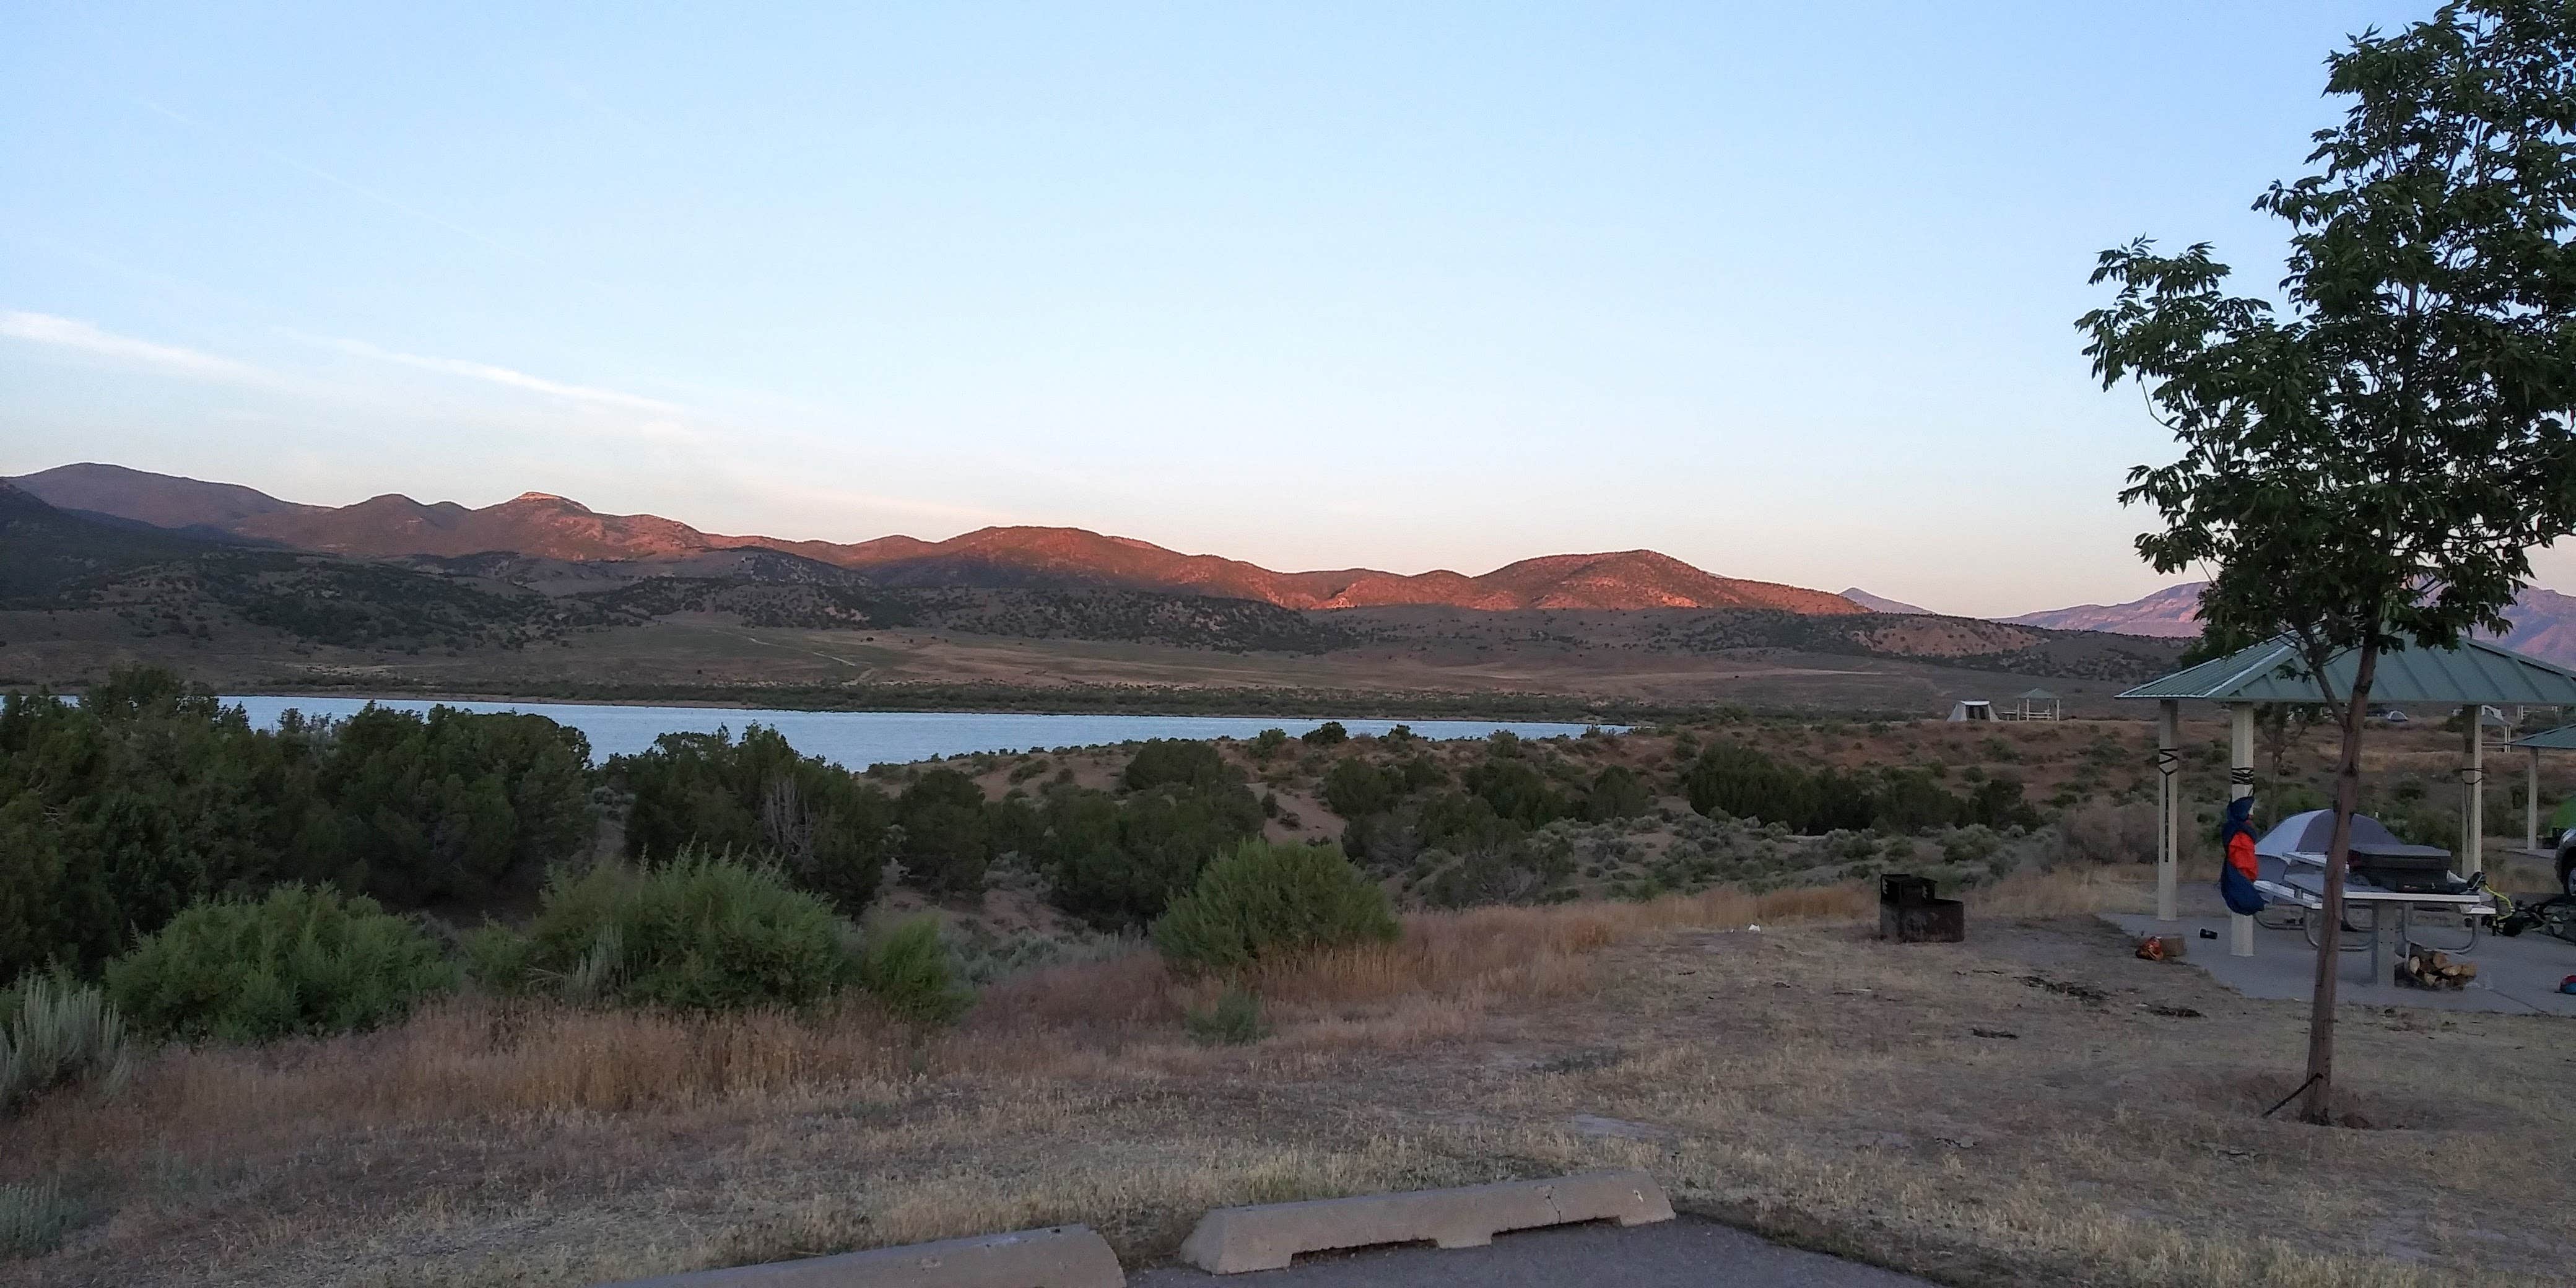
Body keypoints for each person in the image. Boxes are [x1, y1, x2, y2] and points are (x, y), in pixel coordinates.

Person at [2218, 794, 2265, 915]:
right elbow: (2243, 863)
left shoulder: (2235, 830)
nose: (2251, 816)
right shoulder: (2240, 834)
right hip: (2240, 874)